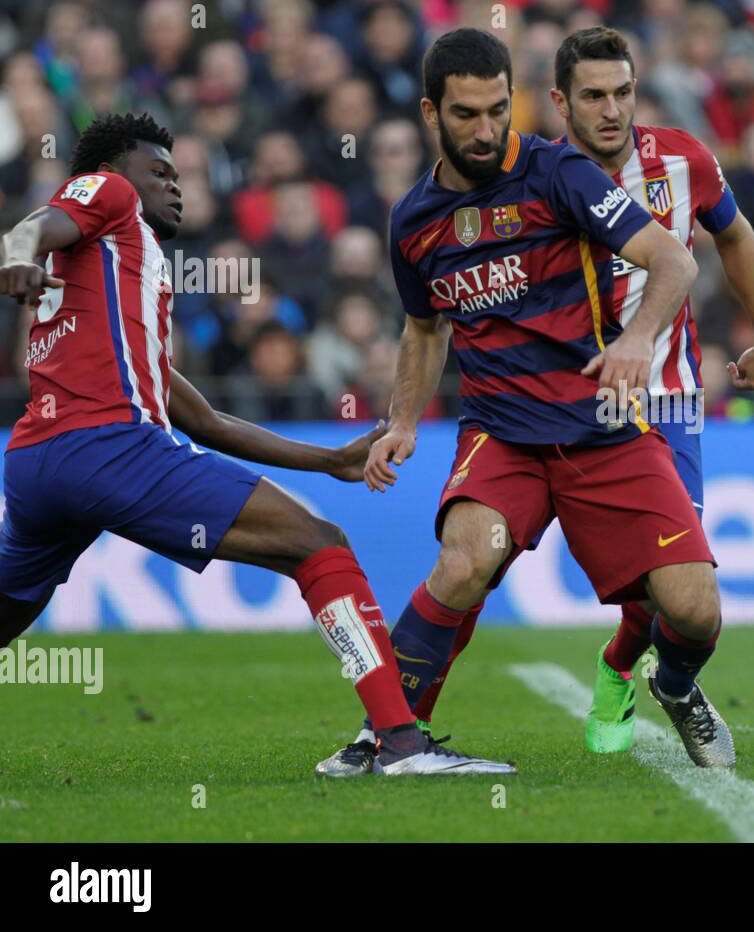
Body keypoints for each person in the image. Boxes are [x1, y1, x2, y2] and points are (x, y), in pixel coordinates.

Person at [0, 113, 510, 776]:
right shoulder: (108, 194)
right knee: (319, 546)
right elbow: (28, 227)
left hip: (36, 462)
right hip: (108, 447)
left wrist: (328, 461)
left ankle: (392, 740)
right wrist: (16, 254)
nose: (175, 186)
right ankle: (398, 742)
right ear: (118, 172)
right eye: (160, 172)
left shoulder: (110, 288)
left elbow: (207, 420)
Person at [316, 29, 736, 776]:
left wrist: (638, 340)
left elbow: (672, 260)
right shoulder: (413, 222)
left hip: (603, 427)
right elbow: (423, 327)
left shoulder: (559, 172)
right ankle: (389, 735)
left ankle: (671, 684)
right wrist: (404, 419)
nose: (485, 130)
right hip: (502, 433)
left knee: (695, 608)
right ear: (429, 112)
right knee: (462, 564)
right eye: (466, 114)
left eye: (496, 111)